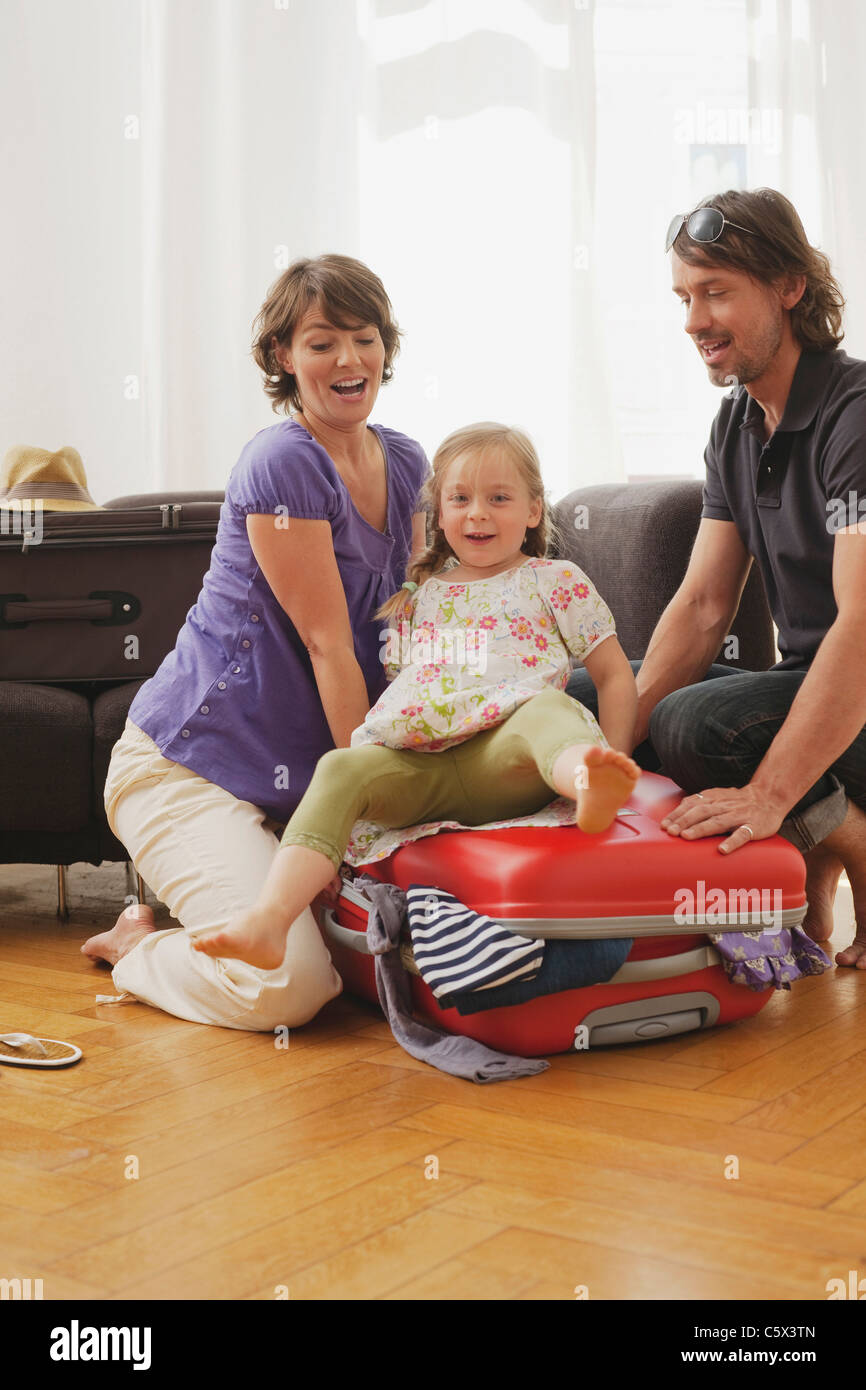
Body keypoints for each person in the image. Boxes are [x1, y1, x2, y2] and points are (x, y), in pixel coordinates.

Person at [81, 254, 430, 1028]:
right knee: (289, 989)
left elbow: (406, 634)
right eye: (320, 341)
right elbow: (330, 647)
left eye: (364, 337)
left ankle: (194, 922)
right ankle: (135, 950)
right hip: (185, 771)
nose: (348, 359)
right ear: (284, 357)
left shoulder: (405, 461)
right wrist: (374, 811)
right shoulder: (285, 462)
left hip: (296, 789)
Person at [190, 422, 641, 969]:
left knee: (549, 709)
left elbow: (614, 676)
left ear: (533, 510)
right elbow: (402, 694)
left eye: (499, 498)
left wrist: (616, 753)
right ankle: (270, 920)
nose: (477, 513)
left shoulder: (555, 579)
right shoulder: (418, 596)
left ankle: (592, 783)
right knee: (338, 768)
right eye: (460, 499)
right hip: (423, 770)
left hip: (505, 761)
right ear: (440, 513)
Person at [565, 188, 866, 969]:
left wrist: (769, 797)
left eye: (717, 292)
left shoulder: (854, 415)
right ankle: (824, 839)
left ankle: (854, 843)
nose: (694, 320)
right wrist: (613, 757)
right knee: (585, 696)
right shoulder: (736, 423)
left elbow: (863, 625)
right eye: (685, 298)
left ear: (790, 287)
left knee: (696, 726)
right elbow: (702, 607)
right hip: (809, 685)